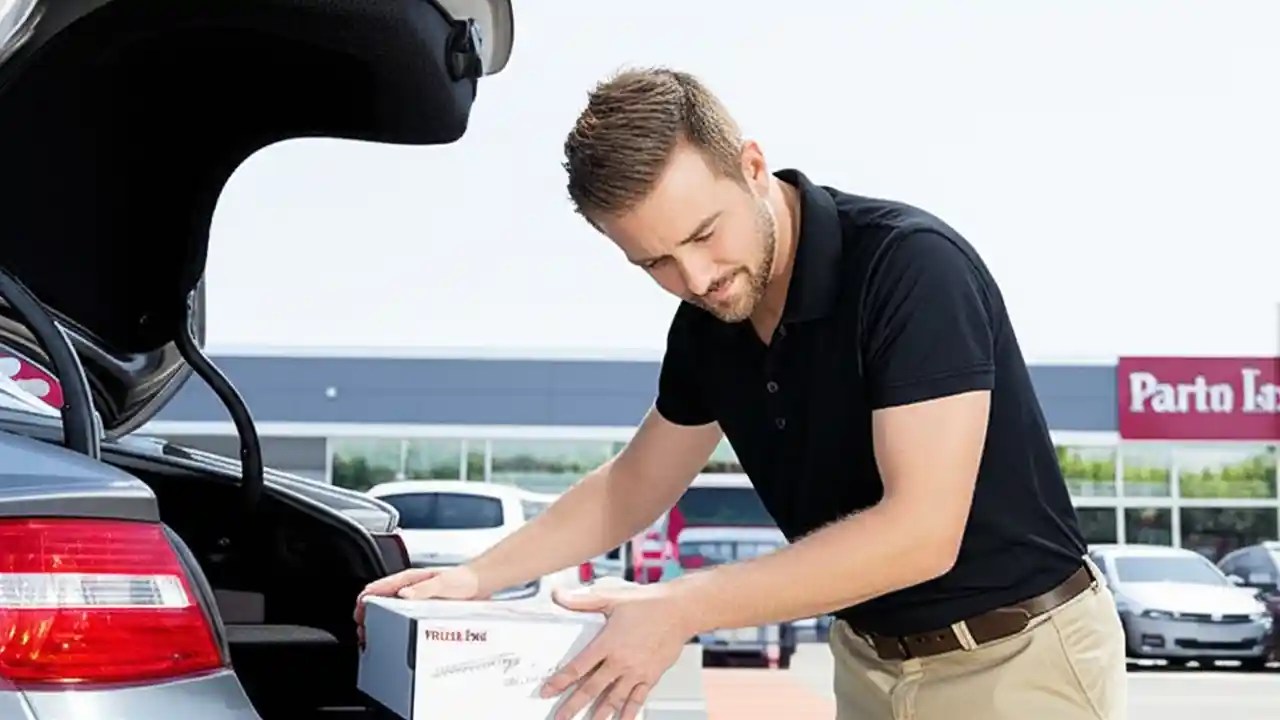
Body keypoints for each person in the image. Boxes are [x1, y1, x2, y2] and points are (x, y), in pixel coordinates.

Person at [355, 67, 1129, 720]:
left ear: (753, 166)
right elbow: (632, 486)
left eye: (701, 235)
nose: (693, 280)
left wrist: (683, 607)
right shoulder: (709, 321)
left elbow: (922, 532)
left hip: (1016, 660)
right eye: (654, 262)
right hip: (870, 662)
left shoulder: (910, 269)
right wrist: (477, 576)